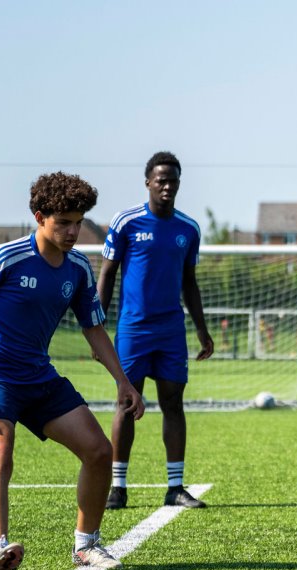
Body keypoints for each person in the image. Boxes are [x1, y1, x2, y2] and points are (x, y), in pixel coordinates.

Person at [0, 172, 144, 570]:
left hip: (38, 376)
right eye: (63, 222)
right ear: (40, 216)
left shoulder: (78, 269)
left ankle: (86, 545)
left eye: (78, 222)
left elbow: (94, 329)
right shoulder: (6, 256)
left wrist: (123, 382)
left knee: (99, 451)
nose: (73, 231)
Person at [99, 152, 214, 510]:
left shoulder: (188, 229)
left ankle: (175, 487)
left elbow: (189, 283)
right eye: (161, 180)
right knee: (126, 403)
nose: (167, 186)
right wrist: (97, 325)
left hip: (170, 331)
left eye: (173, 180)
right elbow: (106, 274)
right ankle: (118, 487)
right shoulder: (126, 222)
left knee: (173, 404)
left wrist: (202, 330)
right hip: (133, 328)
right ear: (148, 181)